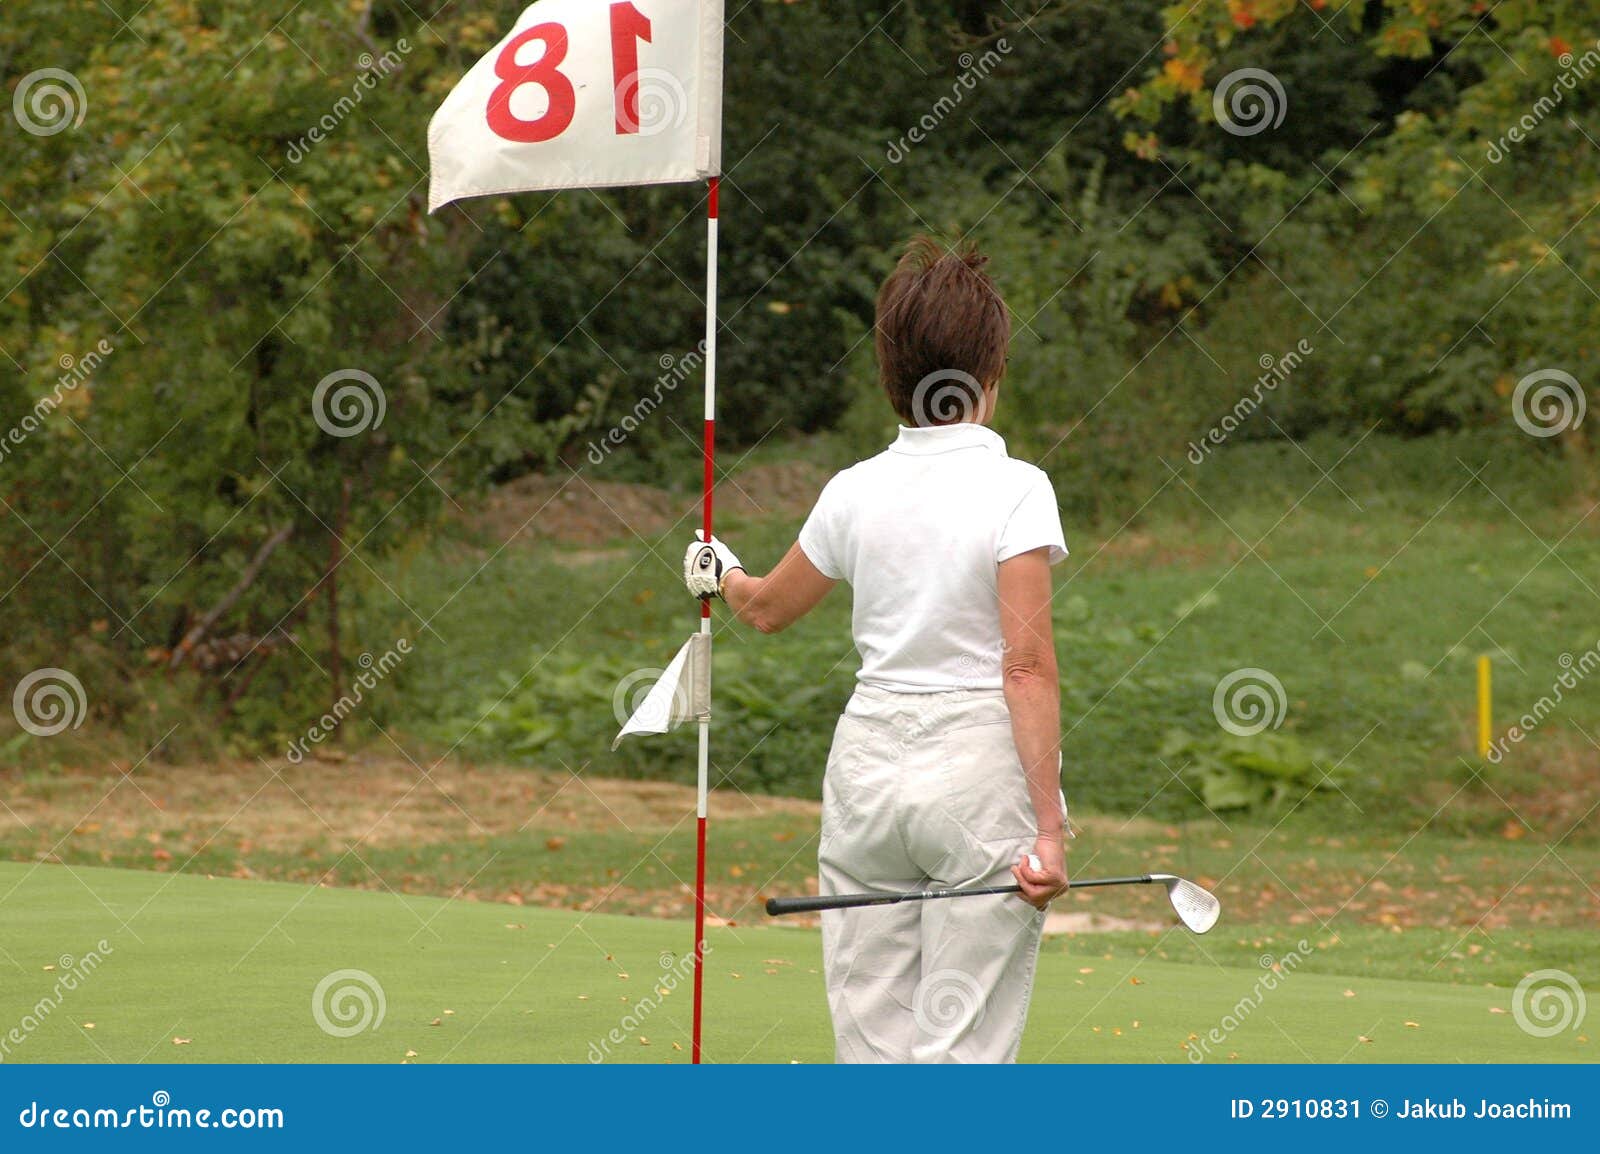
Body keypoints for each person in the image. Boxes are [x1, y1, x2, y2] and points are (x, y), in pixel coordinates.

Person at [681, 237, 1069, 1063]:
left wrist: (721, 571)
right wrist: (1051, 831)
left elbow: (767, 608)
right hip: (974, 771)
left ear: (890, 373)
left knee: (874, 1055)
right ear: (990, 370)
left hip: (865, 773)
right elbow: (1026, 666)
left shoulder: (852, 489)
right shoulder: (1018, 488)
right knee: (957, 1056)